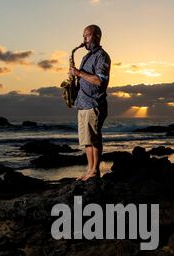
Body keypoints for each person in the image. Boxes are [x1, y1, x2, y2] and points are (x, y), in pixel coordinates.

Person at [70, 25, 111, 181]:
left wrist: (79, 73)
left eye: (86, 36)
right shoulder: (85, 57)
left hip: (94, 104)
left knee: (94, 139)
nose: (84, 40)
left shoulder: (102, 56)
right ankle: (89, 169)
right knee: (87, 140)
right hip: (82, 103)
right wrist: (74, 78)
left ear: (97, 36)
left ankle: (95, 171)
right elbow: (84, 78)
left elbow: (99, 80)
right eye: (83, 36)